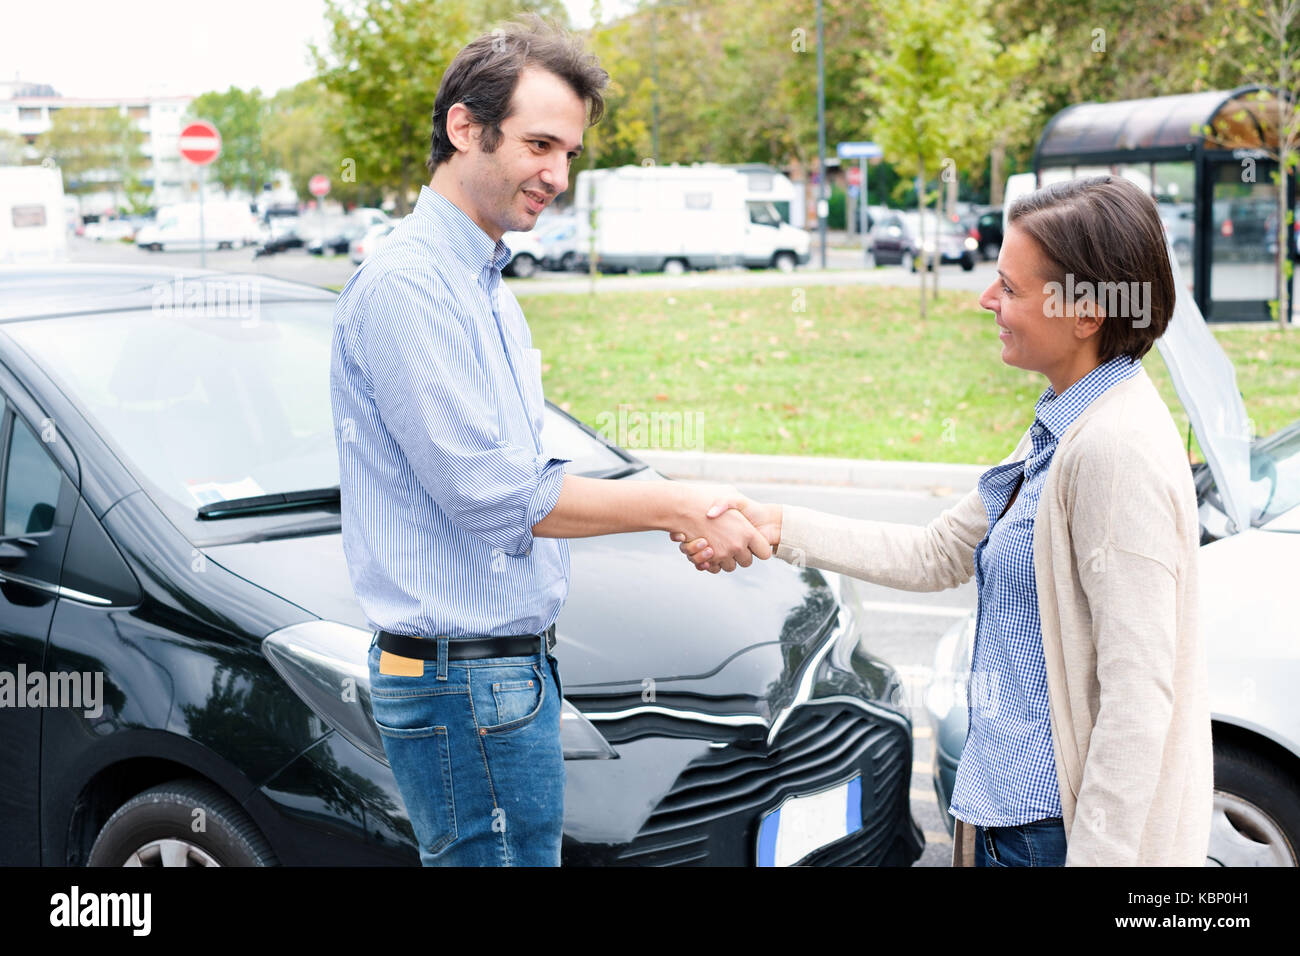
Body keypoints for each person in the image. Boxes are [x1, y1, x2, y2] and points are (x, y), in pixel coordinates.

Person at [329, 16, 770, 867]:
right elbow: (501, 497)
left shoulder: (480, 278)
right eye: (540, 144)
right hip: (465, 687)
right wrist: (675, 503)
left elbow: (524, 470)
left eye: (569, 152)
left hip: (493, 680)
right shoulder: (412, 287)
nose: (558, 175)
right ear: (465, 127)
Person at [675, 175, 1214, 867]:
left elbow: (1138, 699)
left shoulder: (1114, 451)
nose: (986, 301)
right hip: (1017, 823)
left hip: (1052, 838)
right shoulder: (1068, 421)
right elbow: (937, 552)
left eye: (1011, 289)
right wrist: (772, 523)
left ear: (1085, 312)